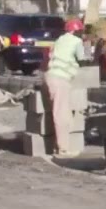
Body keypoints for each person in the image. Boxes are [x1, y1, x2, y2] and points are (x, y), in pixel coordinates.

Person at [44, 19, 88, 157]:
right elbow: (83, 58)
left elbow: (50, 55)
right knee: (62, 114)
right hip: (60, 79)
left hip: (51, 77)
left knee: (63, 113)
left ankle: (60, 146)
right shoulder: (76, 41)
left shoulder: (59, 40)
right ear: (76, 31)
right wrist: (88, 47)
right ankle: (63, 149)